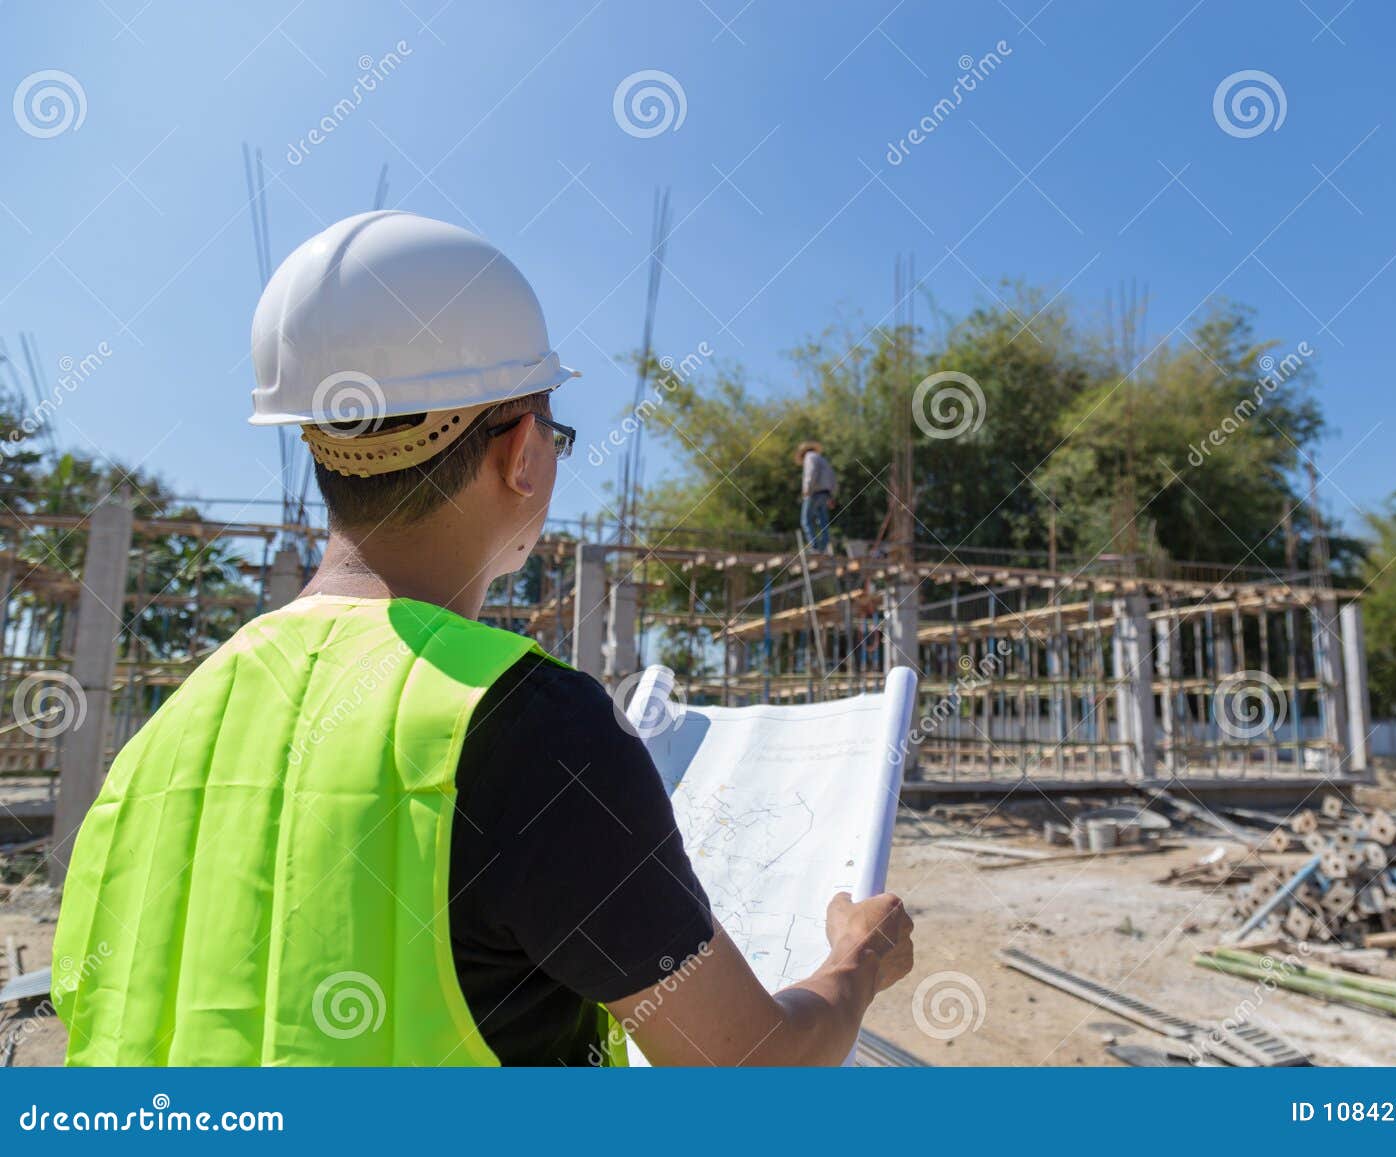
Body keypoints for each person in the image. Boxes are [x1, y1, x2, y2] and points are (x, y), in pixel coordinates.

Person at [51, 211, 913, 1067]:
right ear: (524, 453)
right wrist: (857, 959)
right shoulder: (531, 727)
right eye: (557, 436)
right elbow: (753, 1069)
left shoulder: (163, 736)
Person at [796, 439, 837, 551]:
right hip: (825, 493)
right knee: (823, 520)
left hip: (814, 492)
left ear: (803, 453)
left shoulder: (809, 457)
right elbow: (832, 477)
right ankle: (824, 546)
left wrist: (807, 489)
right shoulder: (822, 459)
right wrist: (832, 495)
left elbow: (811, 472)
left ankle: (814, 546)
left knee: (805, 520)